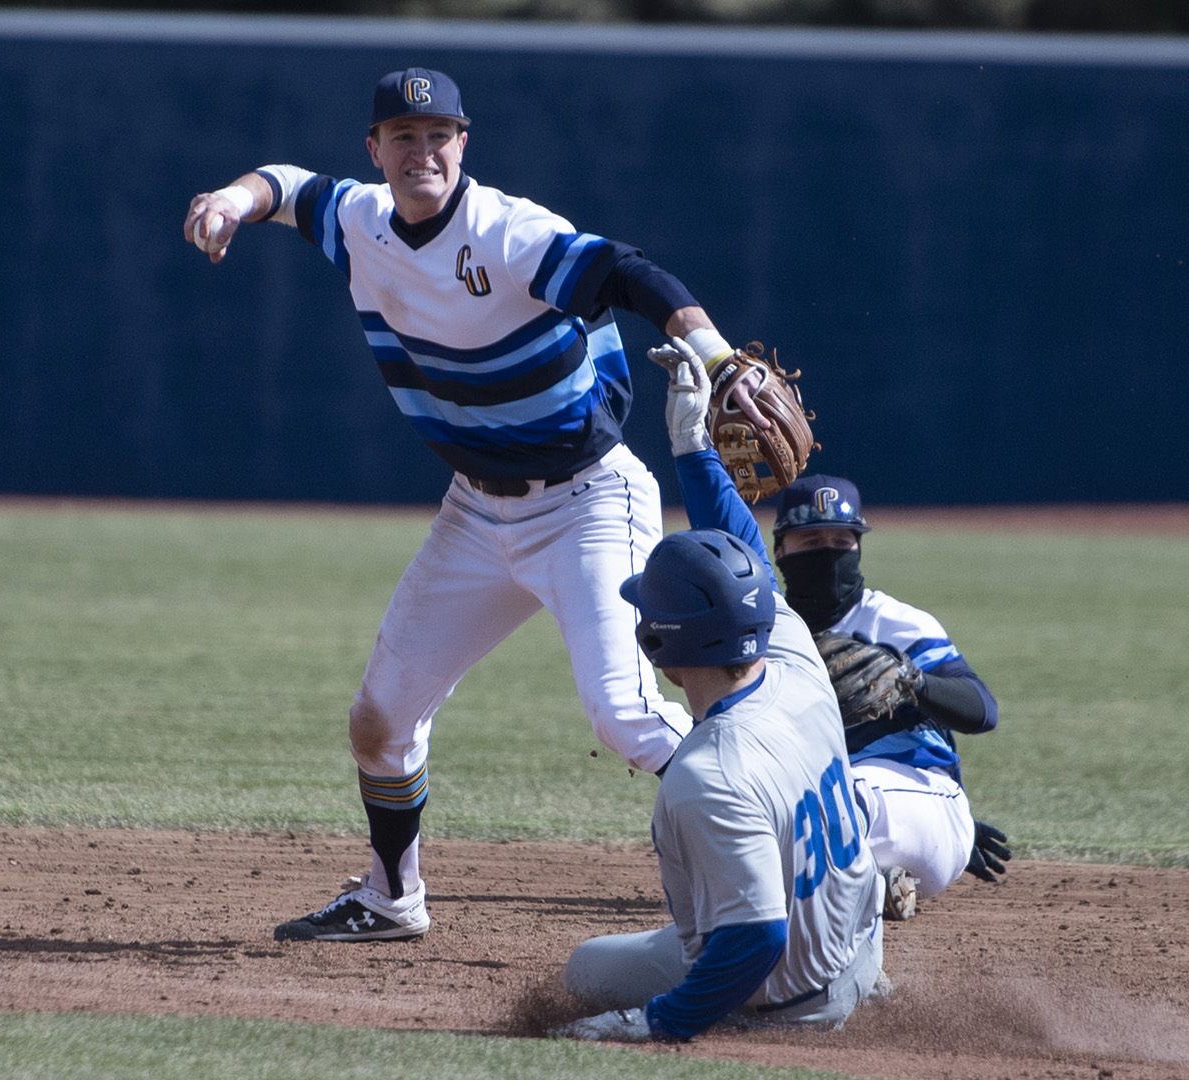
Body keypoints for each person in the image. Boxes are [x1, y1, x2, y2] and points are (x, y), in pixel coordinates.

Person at [182, 68, 770, 942]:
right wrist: (230, 199)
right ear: (375, 150)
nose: (422, 151)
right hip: (475, 511)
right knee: (379, 720)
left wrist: (718, 356)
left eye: (438, 135)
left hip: (586, 502)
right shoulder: (362, 222)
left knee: (626, 715)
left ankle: (804, 849)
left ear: (464, 142)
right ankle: (391, 898)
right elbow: (291, 189)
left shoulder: (510, 233)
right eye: (403, 137)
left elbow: (631, 274)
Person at [551, 342, 886, 1042]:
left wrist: (657, 1024)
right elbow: (741, 552)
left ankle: (744, 1021)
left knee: (585, 972)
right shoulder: (793, 658)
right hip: (863, 944)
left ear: (663, 647)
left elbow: (755, 938)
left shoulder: (707, 775)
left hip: (798, 1003)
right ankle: (864, 984)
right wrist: (690, 443)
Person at [771, 474, 1010, 920]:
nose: (827, 552)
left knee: (830, 802)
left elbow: (982, 710)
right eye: (811, 541)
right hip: (849, 811)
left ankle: (857, 880)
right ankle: (866, 883)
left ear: (859, 546)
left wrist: (914, 682)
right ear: (780, 550)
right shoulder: (772, 631)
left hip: (919, 796)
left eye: (841, 541)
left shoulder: (898, 625)